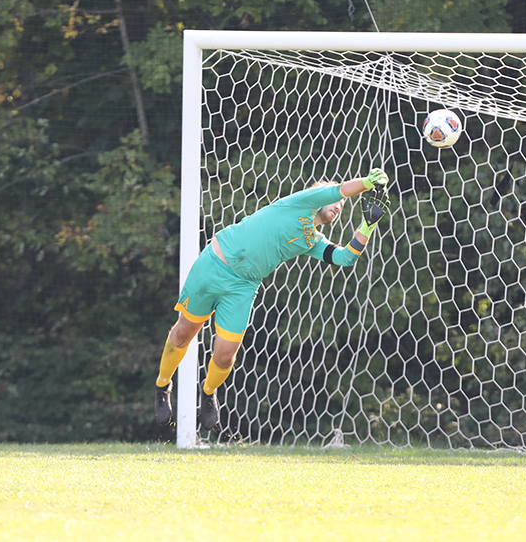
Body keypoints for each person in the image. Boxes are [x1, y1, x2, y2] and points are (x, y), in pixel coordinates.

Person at [154, 168, 391, 430]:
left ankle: (208, 393)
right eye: (337, 202)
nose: (340, 206)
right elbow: (341, 189)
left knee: (225, 356)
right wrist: (368, 183)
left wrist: (367, 226)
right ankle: (163, 385)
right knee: (182, 335)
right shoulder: (300, 201)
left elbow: (345, 258)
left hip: (243, 287)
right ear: (320, 196)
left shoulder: (313, 240)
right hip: (213, 265)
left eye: (343, 207)